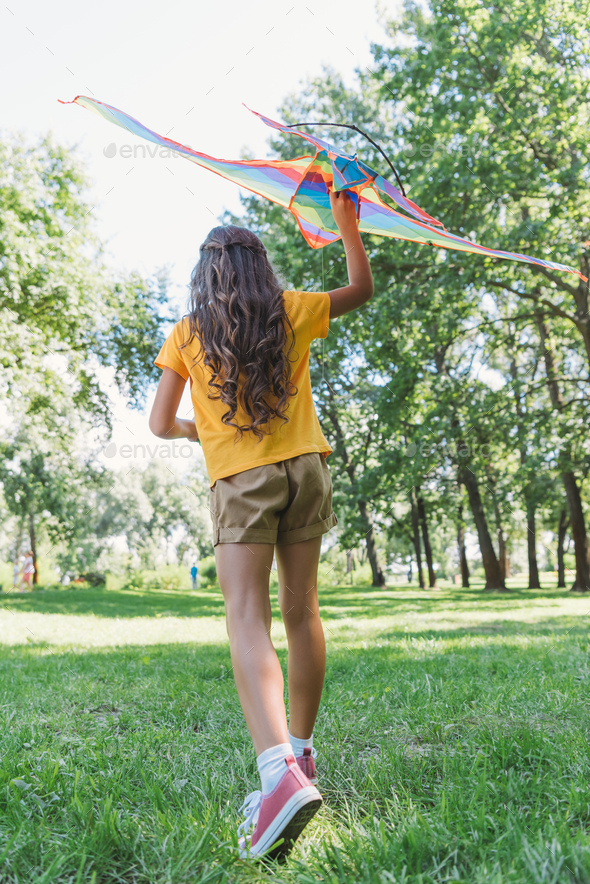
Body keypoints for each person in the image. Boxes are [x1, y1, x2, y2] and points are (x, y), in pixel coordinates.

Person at [150, 190, 373, 860]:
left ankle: (277, 773)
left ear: (206, 274)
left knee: (246, 616)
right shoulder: (293, 309)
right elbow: (361, 287)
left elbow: (159, 424)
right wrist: (345, 224)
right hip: (306, 469)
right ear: (259, 267)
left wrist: (205, 431)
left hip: (241, 481)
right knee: (302, 612)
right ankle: (302, 756)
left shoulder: (188, 334)